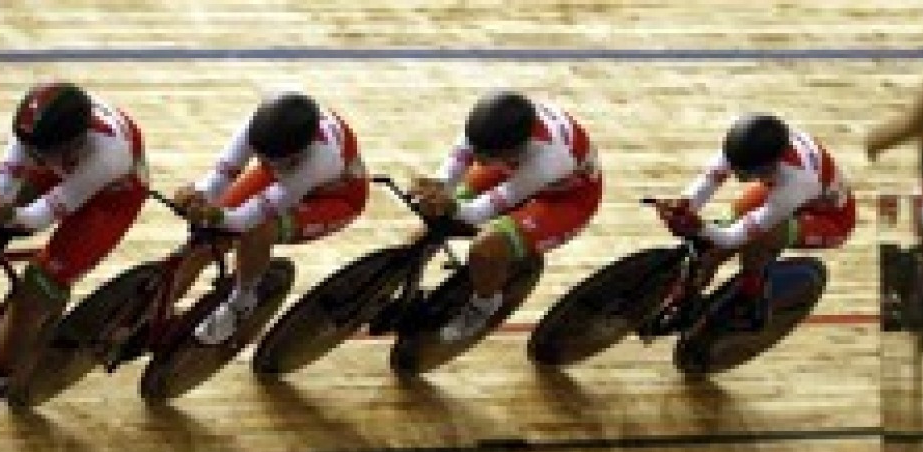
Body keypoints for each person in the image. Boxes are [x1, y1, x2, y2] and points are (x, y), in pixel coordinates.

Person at [0, 82, 149, 448]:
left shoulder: (108, 155)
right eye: (29, 148)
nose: (31, 154)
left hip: (111, 198)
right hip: (64, 162)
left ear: (75, 141)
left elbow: (38, 217)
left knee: (35, 290)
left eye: (39, 151)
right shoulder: (35, 129)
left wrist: (7, 214)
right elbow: (6, 181)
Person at [172, 92, 369, 345]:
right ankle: (157, 308)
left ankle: (241, 303)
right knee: (206, 240)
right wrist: (198, 196)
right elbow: (219, 179)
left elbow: (245, 220)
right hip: (287, 177)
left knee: (258, 230)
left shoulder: (321, 160)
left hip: (337, 198)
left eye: (273, 160)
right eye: (261, 156)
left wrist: (215, 214)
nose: (264, 161)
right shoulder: (259, 127)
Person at [409, 90, 603, 342]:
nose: (479, 159)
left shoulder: (551, 158)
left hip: (567, 201)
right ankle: (402, 286)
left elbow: (480, 211)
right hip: (513, 168)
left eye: (486, 154)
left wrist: (451, 206)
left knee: (486, 248)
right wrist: (438, 186)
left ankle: (484, 305)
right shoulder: (487, 125)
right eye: (477, 150)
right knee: (432, 221)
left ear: (515, 147)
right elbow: (456, 165)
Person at [653, 113, 856, 332]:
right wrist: (685, 205)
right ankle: (684, 297)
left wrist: (699, 227)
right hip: (785, 190)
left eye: (745, 173)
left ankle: (752, 297)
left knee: (760, 239)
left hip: (831, 219)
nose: (738, 177)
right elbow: (710, 179)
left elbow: (733, 238)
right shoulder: (743, 144)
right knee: (711, 245)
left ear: (770, 166)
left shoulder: (797, 182)